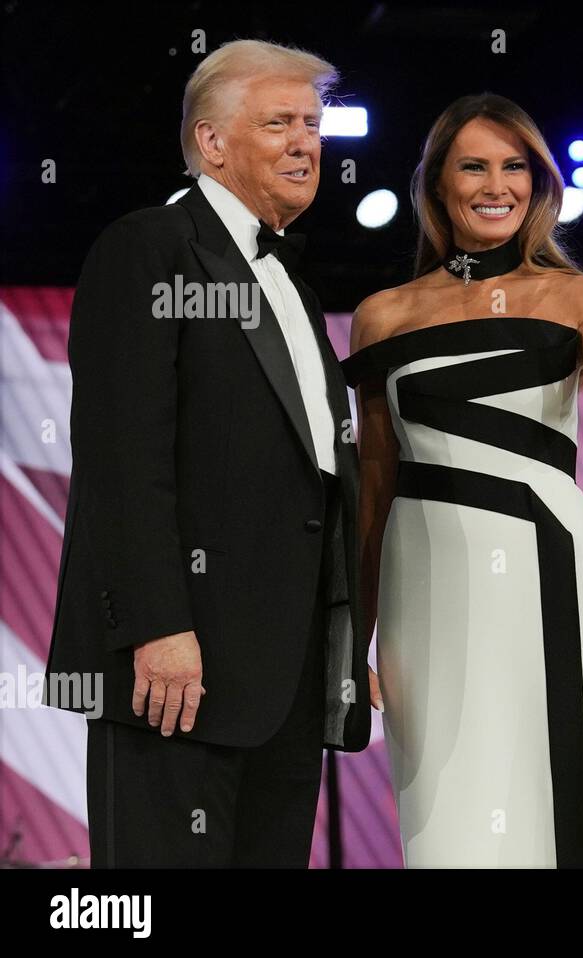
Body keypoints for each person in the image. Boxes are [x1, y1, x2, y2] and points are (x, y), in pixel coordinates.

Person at [342, 93, 583, 867]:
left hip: (545, 572)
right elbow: (373, 491)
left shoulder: (578, 296)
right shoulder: (384, 315)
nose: (496, 184)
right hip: (426, 591)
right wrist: (353, 641)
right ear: (438, 185)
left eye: (515, 167)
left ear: (538, 184)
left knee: (555, 804)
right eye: (473, 165)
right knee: (446, 820)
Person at [43, 39, 374, 868]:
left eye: (312, 122)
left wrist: (342, 645)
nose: (307, 141)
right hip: (177, 671)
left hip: (288, 678)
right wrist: (157, 624)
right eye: (278, 122)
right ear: (213, 141)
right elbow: (122, 455)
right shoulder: (147, 246)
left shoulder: (292, 278)